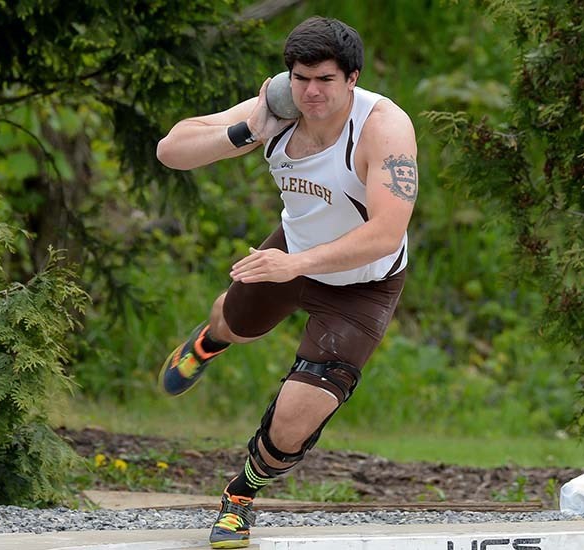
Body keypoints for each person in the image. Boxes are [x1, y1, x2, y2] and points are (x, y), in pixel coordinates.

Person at [155, 16, 418, 549]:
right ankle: (209, 344)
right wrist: (247, 132)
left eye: (324, 80)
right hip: (292, 253)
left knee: (293, 423)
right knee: (232, 321)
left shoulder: (383, 128)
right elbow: (171, 149)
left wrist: (294, 266)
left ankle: (240, 495)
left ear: (352, 78)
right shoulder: (277, 108)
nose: (311, 92)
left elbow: (387, 233)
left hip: (361, 282)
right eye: (301, 78)